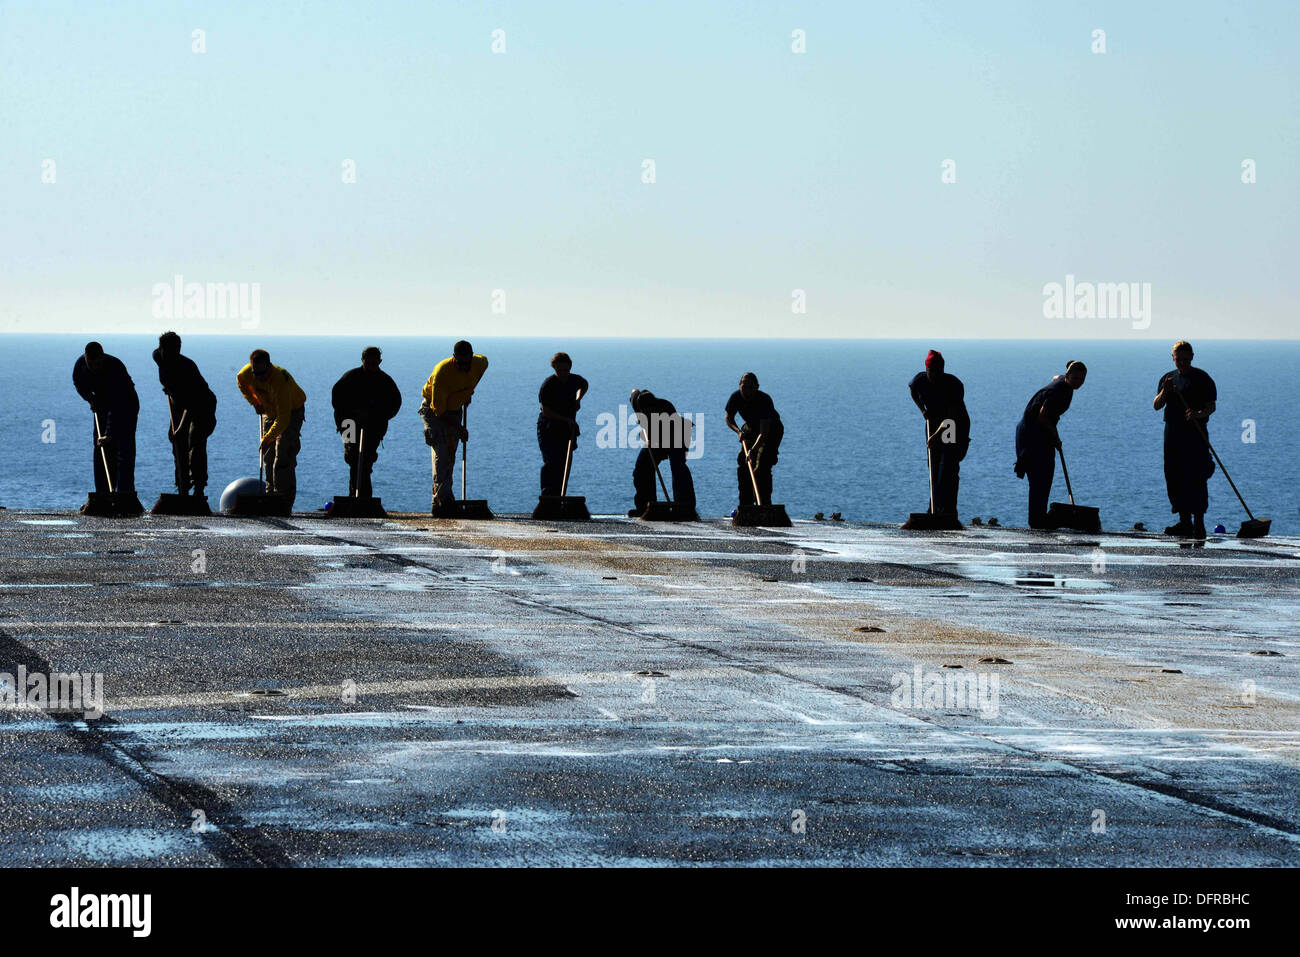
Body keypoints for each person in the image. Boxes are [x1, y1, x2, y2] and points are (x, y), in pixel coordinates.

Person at [1153, 341, 1216, 538]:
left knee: (1196, 476)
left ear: (1192, 357)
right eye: (1178, 359)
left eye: (1186, 359)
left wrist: (1198, 414)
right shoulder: (1168, 378)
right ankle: (1184, 521)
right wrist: (1165, 391)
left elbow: (1211, 407)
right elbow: (1156, 405)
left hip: (1195, 434)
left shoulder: (1202, 378)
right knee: (1174, 475)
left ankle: (1199, 523)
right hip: (1173, 433)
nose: (1182, 363)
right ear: (1173, 358)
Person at [1014, 360, 1087, 529]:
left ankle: (1038, 516)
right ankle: (1037, 519)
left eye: (1082, 380)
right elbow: (1043, 416)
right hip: (1033, 434)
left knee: (1044, 474)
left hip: (1034, 431)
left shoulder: (1062, 380)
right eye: (1075, 378)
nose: (1078, 383)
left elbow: (1056, 376)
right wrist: (1056, 438)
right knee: (1041, 475)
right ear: (1068, 376)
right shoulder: (1059, 392)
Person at [418, 340, 488, 514]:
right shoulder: (442, 372)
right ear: (454, 358)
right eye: (460, 363)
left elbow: (478, 370)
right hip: (435, 412)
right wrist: (460, 428)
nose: (465, 366)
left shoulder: (480, 363)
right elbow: (439, 410)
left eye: (468, 362)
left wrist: (467, 392)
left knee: (450, 454)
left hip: (455, 410)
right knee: (442, 454)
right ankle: (441, 502)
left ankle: (446, 497)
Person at [236, 349, 307, 509]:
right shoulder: (246, 373)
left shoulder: (279, 380)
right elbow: (241, 383)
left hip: (291, 411)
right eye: (256, 374)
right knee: (268, 456)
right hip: (269, 410)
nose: (259, 378)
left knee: (282, 456)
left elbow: (283, 419)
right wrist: (255, 403)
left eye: (262, 374)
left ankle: (283, 501)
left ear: (269, 366)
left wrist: (267, 438)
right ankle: (269, 497)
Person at [330, 346, 403, 498]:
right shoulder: (349, 378)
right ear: (362, 360)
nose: (370, 367)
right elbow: (337, 400)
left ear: (380, 362)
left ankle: (362, 498)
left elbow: (395, 404)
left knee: (366, 460)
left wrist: (375, 415)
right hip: (348, 424)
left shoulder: (386, 382)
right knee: (352, 457)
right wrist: (354, 413)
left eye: (374, 364)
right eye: (367, 363)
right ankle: (356, 497)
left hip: (374, 426)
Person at [153, 331, 217, 498]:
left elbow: (191, 404)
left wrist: (180, 427)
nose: (173, 354)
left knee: (195, 441)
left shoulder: (187, 368)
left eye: (176, 350)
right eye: (168, 350)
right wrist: (169, 387)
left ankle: (198, 488)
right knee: (176, 441)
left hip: (201, 405)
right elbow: (162, 366)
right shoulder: (158, 356)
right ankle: (182, 486)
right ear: (162, 349)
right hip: (180, 403)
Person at [72, 342, 140, 495]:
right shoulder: (80, 365)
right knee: (101, 448)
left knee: (124, 452)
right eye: (91, 364)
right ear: (85, 358)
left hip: (126, 405)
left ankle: (125, 494)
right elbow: (78, 383)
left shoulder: (115, 367)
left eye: (98, 364)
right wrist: (90, 398)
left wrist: (109, 434)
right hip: (102, 403)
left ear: (103, 357)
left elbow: (117, 405)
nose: (95, 367)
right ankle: (103, 495)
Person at [907, 350, 970, 514]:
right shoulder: (919, 380)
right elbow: (912, 390)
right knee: (934, 468)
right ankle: (933, 510)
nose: (935, 374)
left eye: (939, 371)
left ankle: (949, 511)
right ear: (926, 369)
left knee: (948, 468)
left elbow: (951, 418)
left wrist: (935, 436)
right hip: (934, 422)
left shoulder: (953, 385)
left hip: (954, 425)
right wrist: (922, 410)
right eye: (932, 371)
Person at [629, 389, 697, 516]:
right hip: (656, 437)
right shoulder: (637, 402)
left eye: (647, 411)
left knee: (678, 468)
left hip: (675, 435)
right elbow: (634, 391)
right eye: (642, 411)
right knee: (642, 468)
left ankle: (684, 505)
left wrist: (684, 450)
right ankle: (645, 506)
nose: (644, 413)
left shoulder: (665, 408)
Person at [724, 372, 783, 506]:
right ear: (739, 386)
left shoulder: (764, 400)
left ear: (757, 387)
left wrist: (753, 450)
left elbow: (763, 433)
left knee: (762, 465)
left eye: (751, 387)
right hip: (750, 428)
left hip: (771, 431)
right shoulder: (736, 397)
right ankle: (746, 504)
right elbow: (728, 417)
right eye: (744, 387)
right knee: (743, 463)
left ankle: (764, 504)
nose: (747, 391)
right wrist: (738, 431)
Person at [537, 353, 589, 496]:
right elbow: (546, 411)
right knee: (551, 461)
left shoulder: (575, 380)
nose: (563, 374)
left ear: (570, 368)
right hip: (548, 427)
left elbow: (584, 385)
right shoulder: (548, 385)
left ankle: (560, 496)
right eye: (559, 371)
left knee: (564, 462)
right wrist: (566, 420)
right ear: (554, 369)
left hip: (566, 428)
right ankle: (547, 496)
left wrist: (578, 400)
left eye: (566, 370)